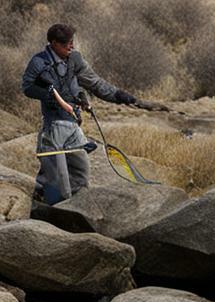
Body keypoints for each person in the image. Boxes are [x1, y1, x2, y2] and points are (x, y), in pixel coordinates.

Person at [21, 23, 138, 204]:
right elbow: (27, 87)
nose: (72, 46)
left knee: (81, 177)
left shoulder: (75, 59)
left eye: (72, 42)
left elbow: (96, 84)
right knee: (56, 186)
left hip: (73, 127)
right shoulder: (38, 62)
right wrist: (50, 95)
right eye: (67, 43)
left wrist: (119, 96)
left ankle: (74, 216)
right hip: (53, 127)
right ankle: (44, 214)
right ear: (54, 43)